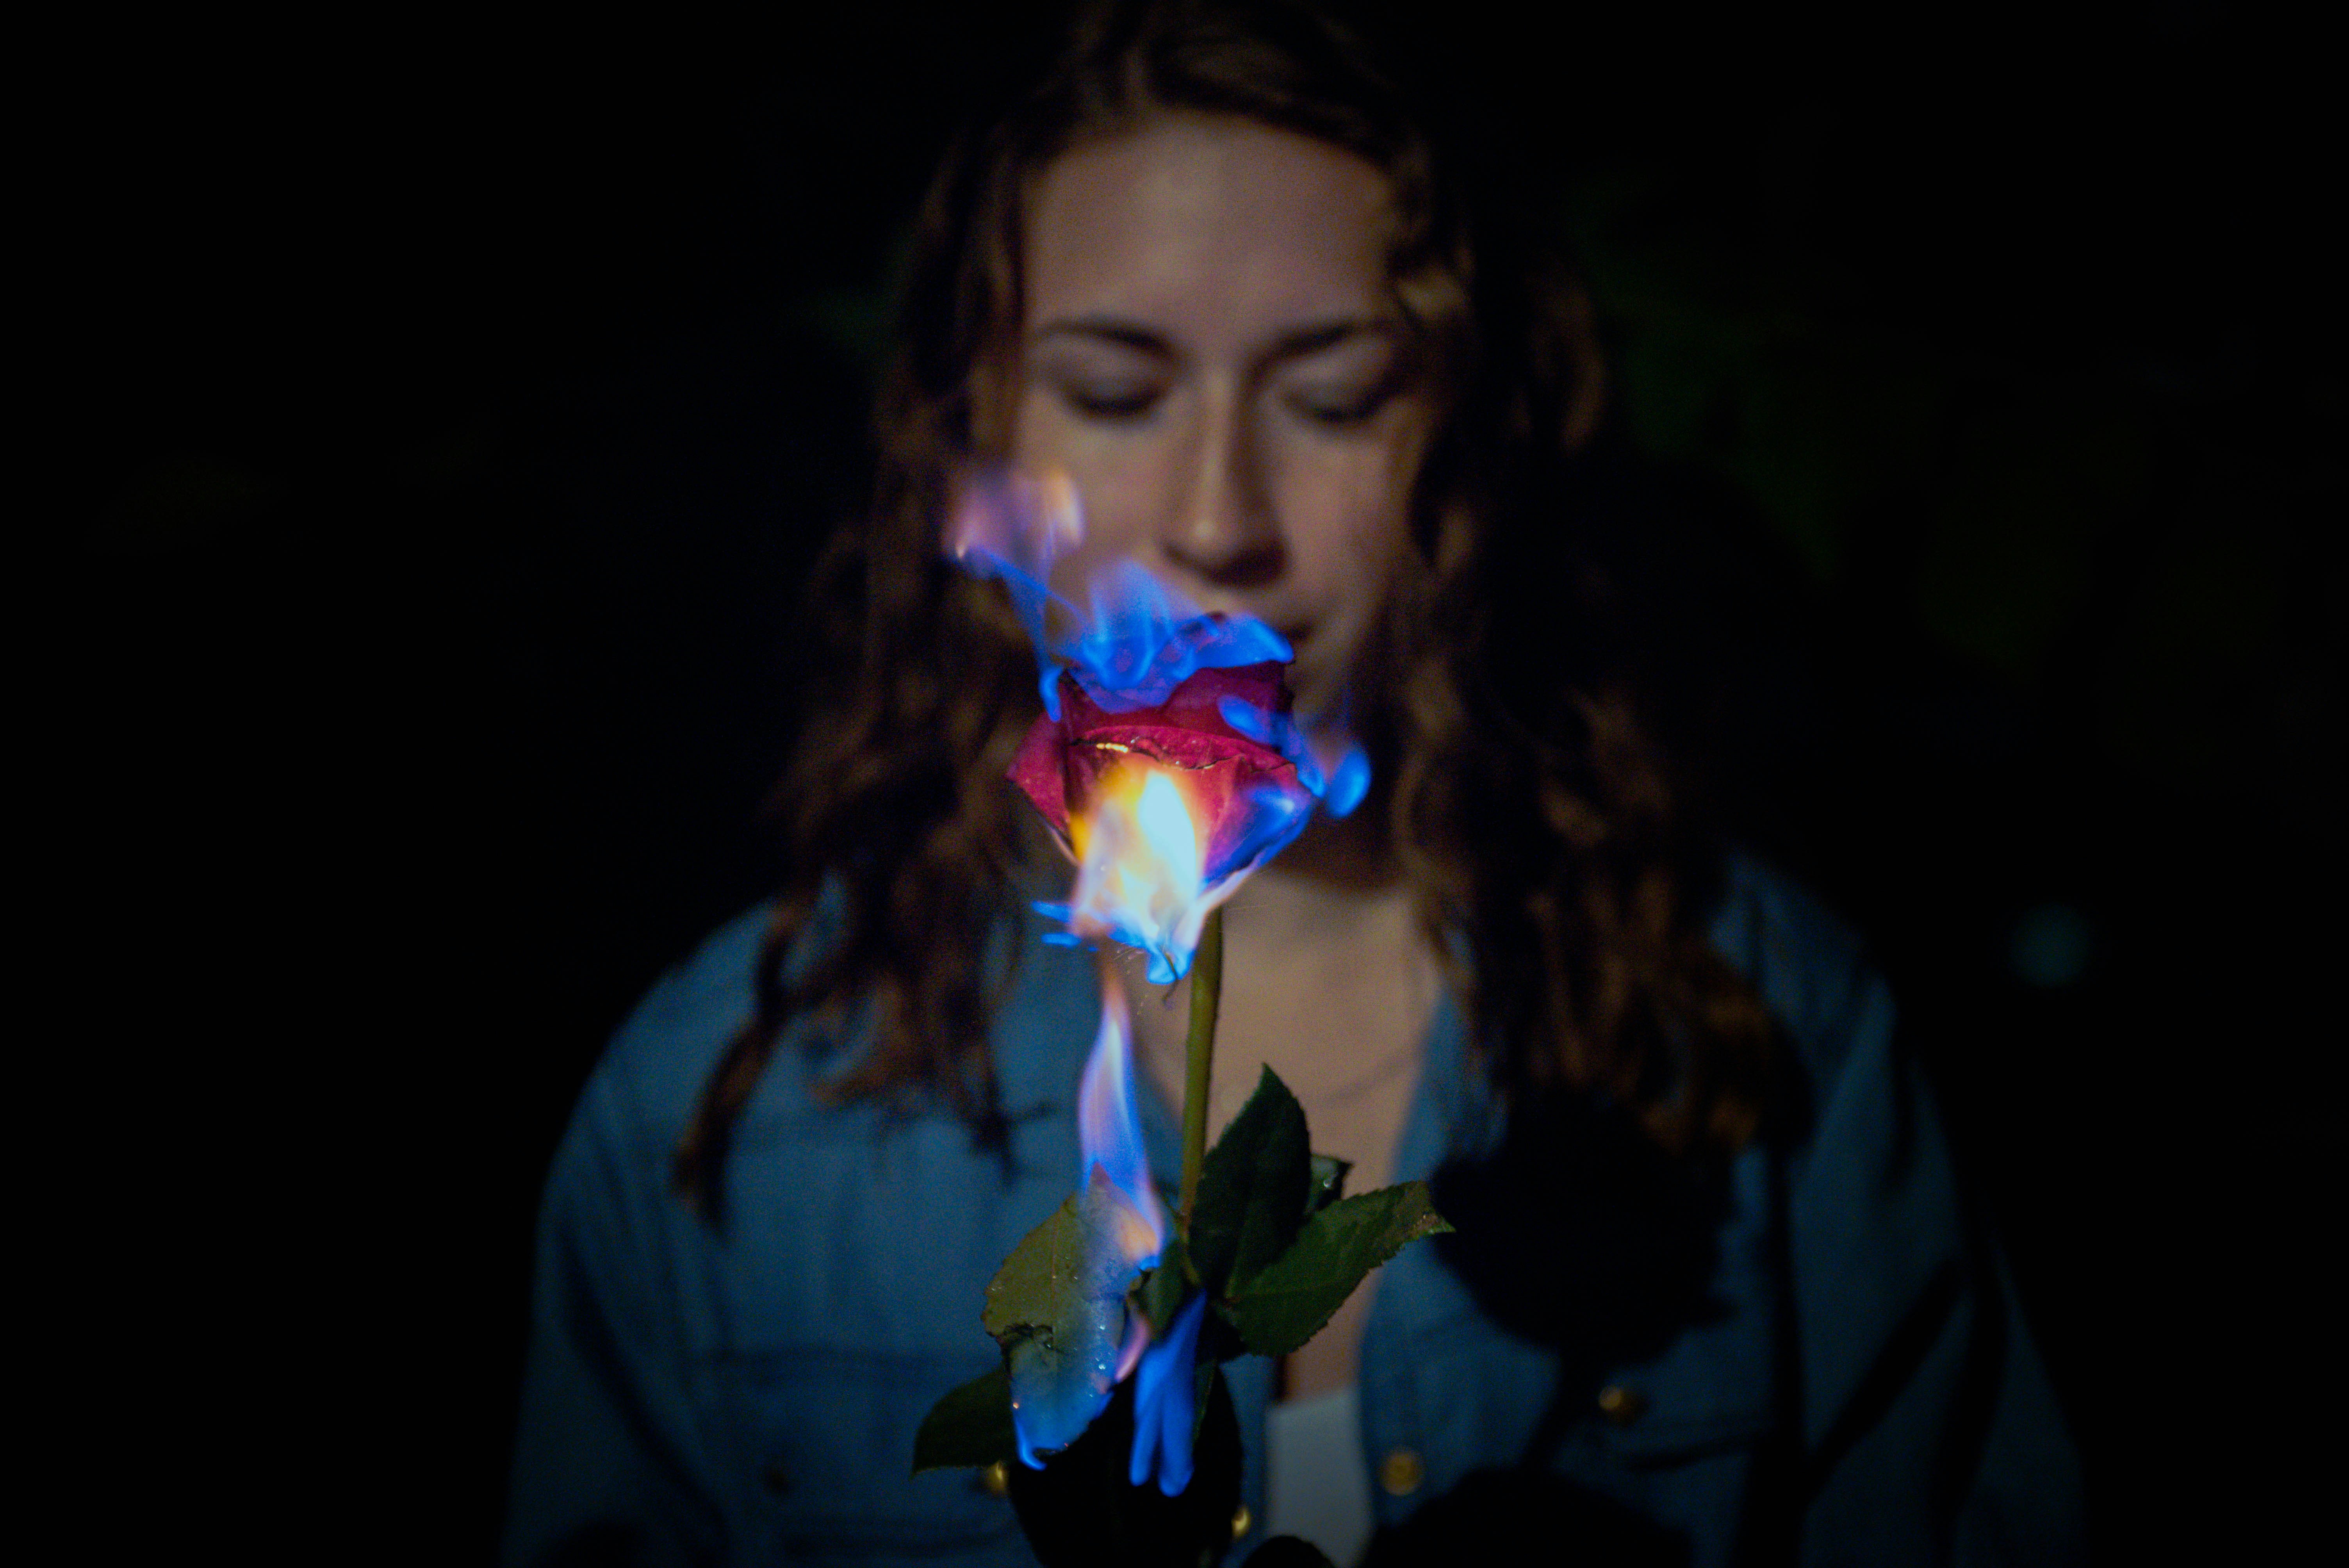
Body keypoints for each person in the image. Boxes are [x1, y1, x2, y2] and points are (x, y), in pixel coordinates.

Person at [502, 3, 2083, 1564]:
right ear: (975, 430)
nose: (1217, 519)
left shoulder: (1766, 1027)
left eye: (1332, 395)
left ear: (1463, 435)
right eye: (1116, 393)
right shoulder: (722, 1099)